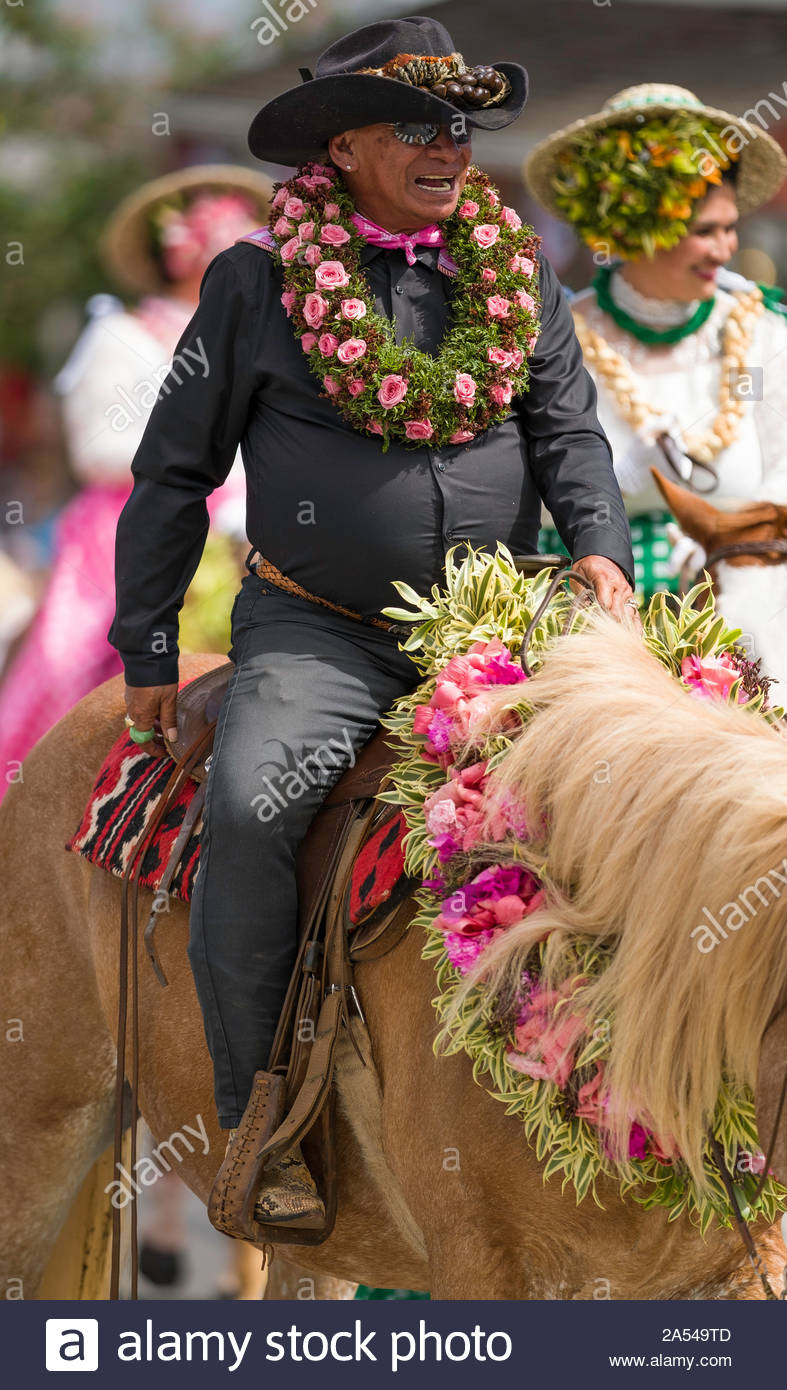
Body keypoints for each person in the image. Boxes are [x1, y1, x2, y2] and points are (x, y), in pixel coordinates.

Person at [108, 15, 637, 1227]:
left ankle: (638, 1095)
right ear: (339, 147)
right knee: (251, 804)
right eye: (415, 125)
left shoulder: (520, 272)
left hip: (498, 623)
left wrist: (601, 555)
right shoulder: (254, 280)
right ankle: (260, 1127)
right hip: (321, 633)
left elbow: (567, 438)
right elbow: (172, 474)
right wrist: (146, 645)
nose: (448, 148)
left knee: (649, 785)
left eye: (459, 125)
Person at [0, 166, 271, 802]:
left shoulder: (260, 335)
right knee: (78, 661)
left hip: (242, 522)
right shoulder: (120, 333)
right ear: (174, 247)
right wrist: (199, 466)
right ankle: (47, 790)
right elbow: (98, 448)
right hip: (133, 520)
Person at [526, 83, 787, 604]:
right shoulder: (556, 338)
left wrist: (725, 544)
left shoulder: (762, 336)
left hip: (742, 603)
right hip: (589, 612)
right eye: (705, 230)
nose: (727, 247)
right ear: (634, 231)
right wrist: (620, 480)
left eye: (731, 228)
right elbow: (518, 488)